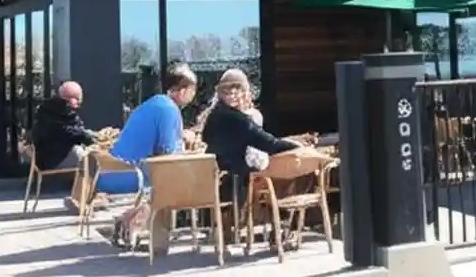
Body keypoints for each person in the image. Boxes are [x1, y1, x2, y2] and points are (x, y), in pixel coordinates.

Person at [103, 63, 199, 247]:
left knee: (168, 183)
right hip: (131, 172)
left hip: (115, 167)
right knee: (176, 184)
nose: (193, 95)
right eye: (193, 90)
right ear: (183, 90)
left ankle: (128, 220)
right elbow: (169, 154)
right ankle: (134, 224)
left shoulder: (155, 103)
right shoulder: (169, 110)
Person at [200, 69, 299, 179]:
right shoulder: (236, 119)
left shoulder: (215, 114)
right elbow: (270, 144)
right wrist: (298, 147)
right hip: (233, 181)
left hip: (216, 176)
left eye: (236, 91)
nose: (233, 95)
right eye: (228, 92)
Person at [31, 81, 98, 170]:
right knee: (92, 160)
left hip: (44, 158)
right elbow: (73, 133)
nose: (79, 104)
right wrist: (93, 139)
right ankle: (84, 184)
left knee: (82, 152)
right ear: (72, 100)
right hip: (53, 160)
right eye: (79, 99)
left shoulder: (49, 111)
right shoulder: (63, 115)